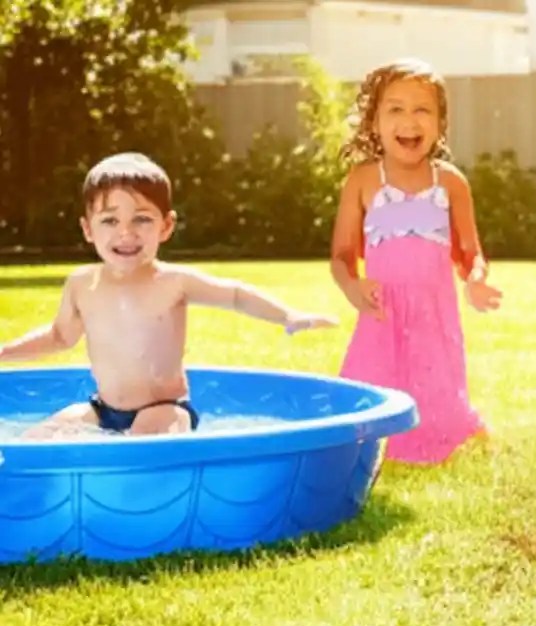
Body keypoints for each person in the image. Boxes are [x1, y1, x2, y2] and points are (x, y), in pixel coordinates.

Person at [0, 152, 337, 439]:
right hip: (102, 409)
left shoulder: (173, 282)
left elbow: (234, 295)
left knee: (142, 444)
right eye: (110, 220)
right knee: (36, 439)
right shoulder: (81, 284)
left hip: (164, 409)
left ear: (166, 226)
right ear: (88, 229)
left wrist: (288, 315)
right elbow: (60, 336)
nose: (126, 232)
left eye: (142, 219)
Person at [330, 58, 503, 464]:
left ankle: (455, 430)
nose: (410, 121)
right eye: (396, 109)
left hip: (434, 316)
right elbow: (340, 256)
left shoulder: (451, 183)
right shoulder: (363, 180)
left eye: (422, 109)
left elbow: (470, 251)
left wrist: (475, 277)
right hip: (381, 313)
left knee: (437, 394)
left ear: (441, 123)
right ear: (374, 122)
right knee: (367, 398)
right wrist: (353, 287)